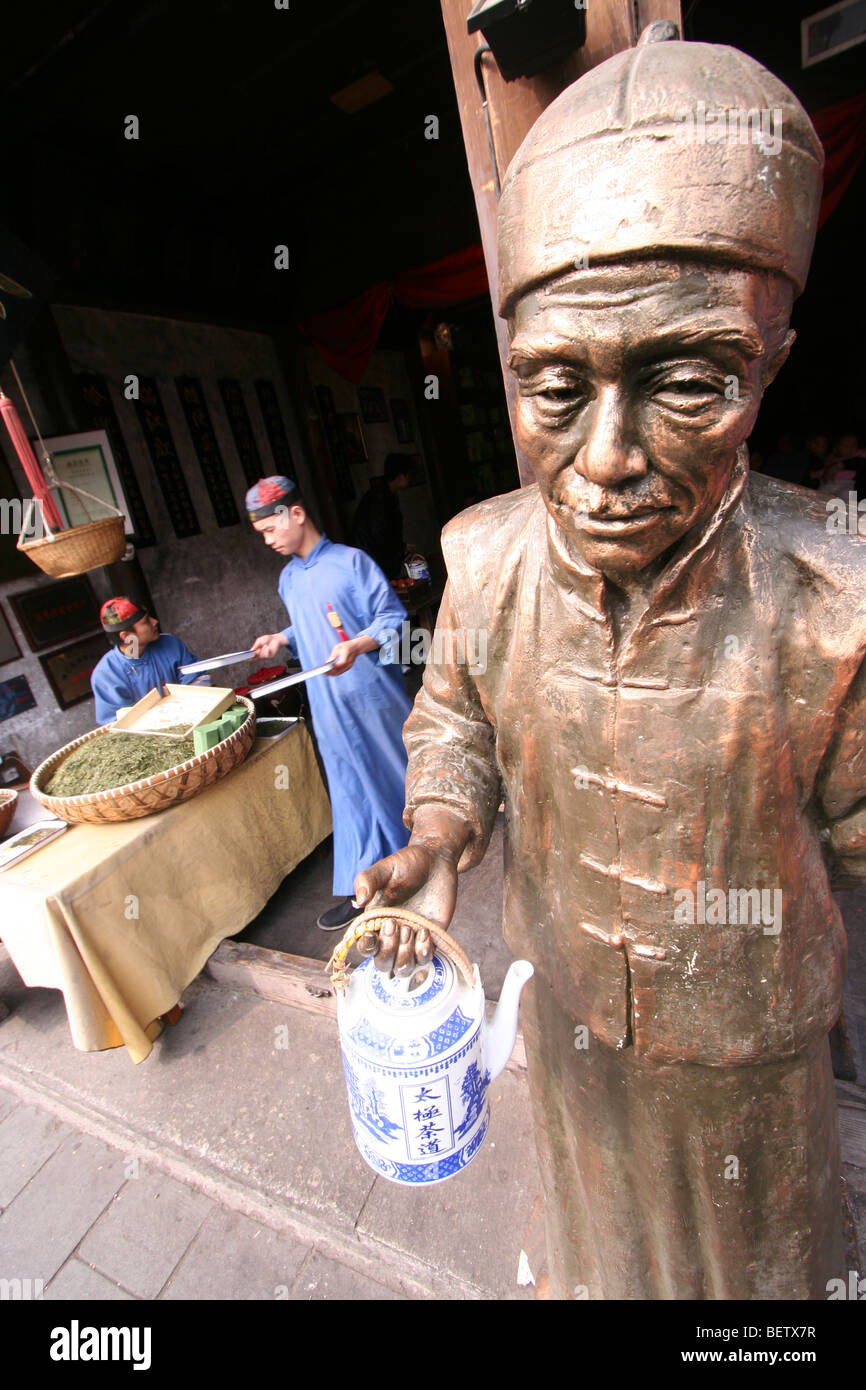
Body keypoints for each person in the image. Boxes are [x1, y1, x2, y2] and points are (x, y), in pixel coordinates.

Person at [354, 26, 861, 1299]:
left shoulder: (835, 596)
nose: (604, 458)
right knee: (599, 1265)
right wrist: (434, 842)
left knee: (760, 1288)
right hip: (571, 1011)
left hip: (746, 1044)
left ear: (770, 365)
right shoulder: (482, 559)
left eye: (686, 381)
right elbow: (456, 727)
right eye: (554, 389)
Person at [247, 475, 412, 931]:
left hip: (371, 696)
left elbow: (392, 619)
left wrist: (358, 645)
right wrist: (282, 637)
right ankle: (363, 888)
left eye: (270, 529)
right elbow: (314, 626)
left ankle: (423, 865)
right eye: (262, 534)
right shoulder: (288, 579)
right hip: (327, 704)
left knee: (394, 780)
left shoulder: (351, 562)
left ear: (296, 514)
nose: (268, 541)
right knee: (350, 792)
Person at [90, 597, 200, 725]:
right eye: (146, 621)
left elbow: (197, 682)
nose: (155, 622)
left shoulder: (171, 643)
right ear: (126, 636)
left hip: (192, 718)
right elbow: (117, 723)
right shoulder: (105, 675)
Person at [350, 454, 412, 580]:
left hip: (373, 559)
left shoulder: (384, 493)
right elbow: (381, 535)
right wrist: (400, 549)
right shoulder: (380, 499)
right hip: (372, 562)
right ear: (400, 476)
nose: (410, 479)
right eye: (409, 475)